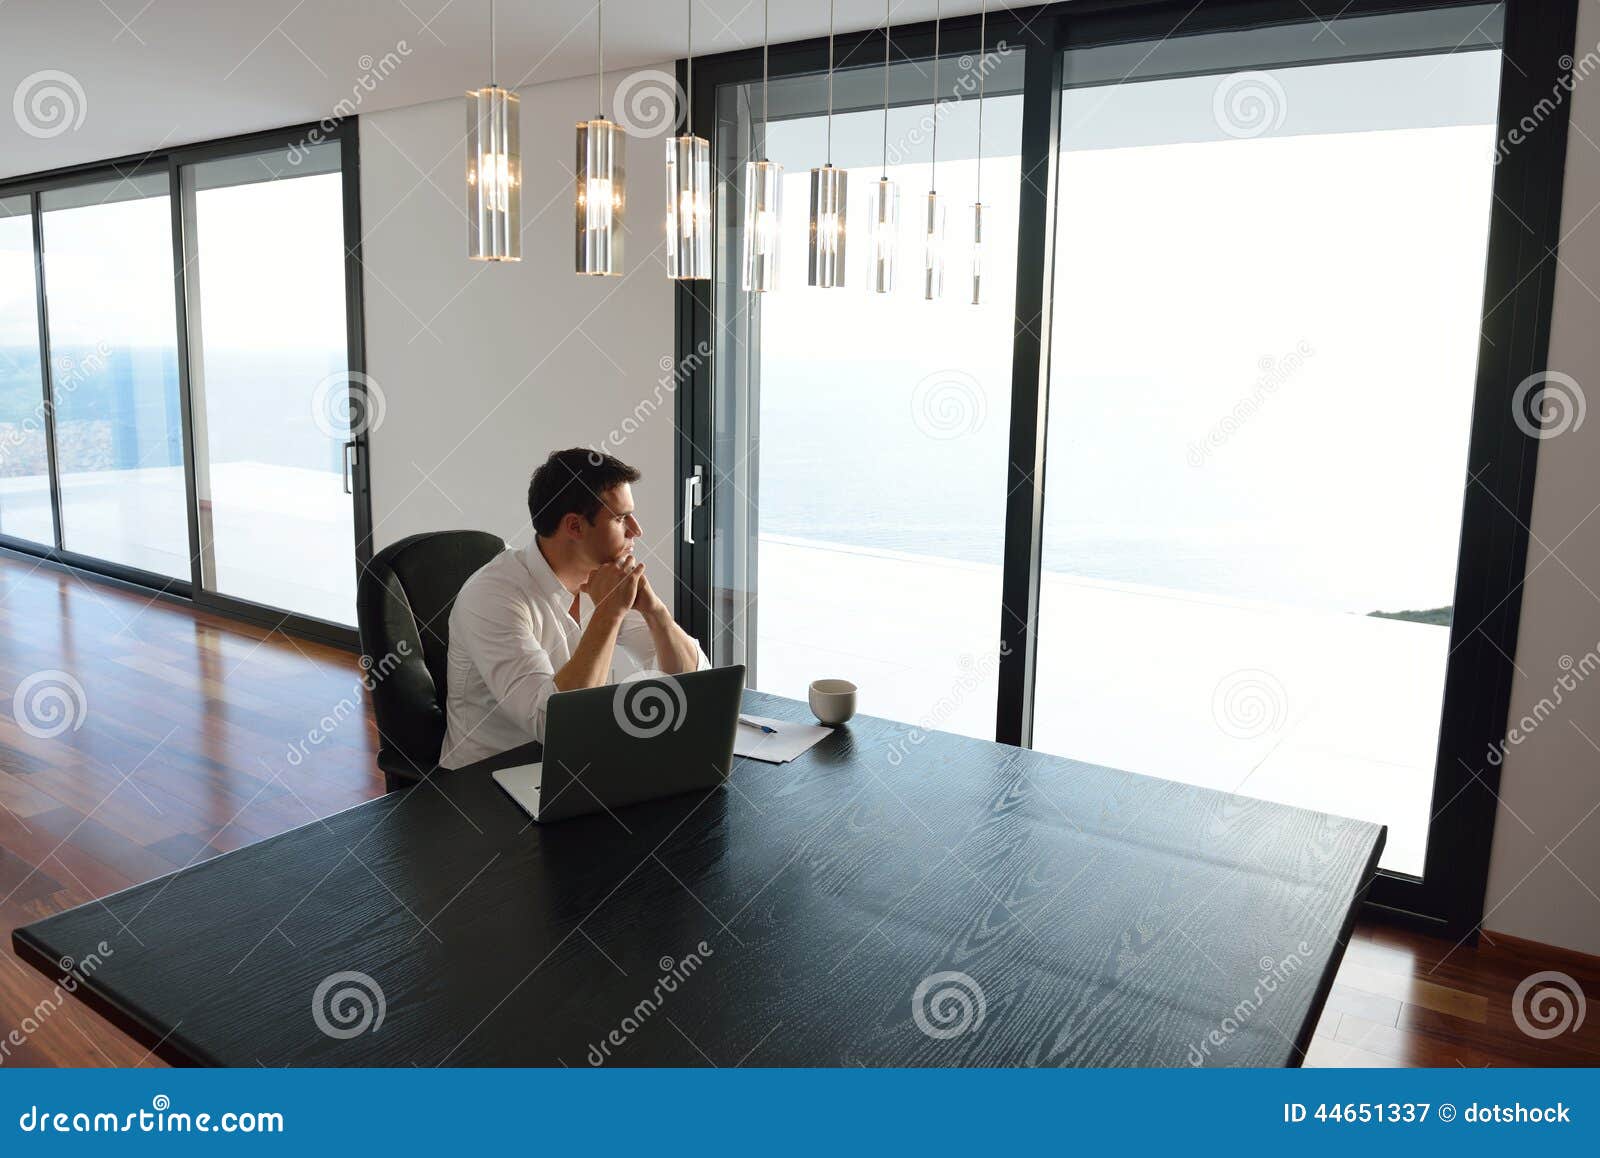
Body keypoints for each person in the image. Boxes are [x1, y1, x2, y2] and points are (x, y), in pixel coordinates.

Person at [439, 448, 709, 768]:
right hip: (485, 784)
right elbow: (553, 725)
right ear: (575, 527)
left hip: (575, 766)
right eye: (621, 518)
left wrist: (656, 612)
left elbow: (696, 682)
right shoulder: (492, 596)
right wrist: (609, 613)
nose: (636, 530)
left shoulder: (606, 578)